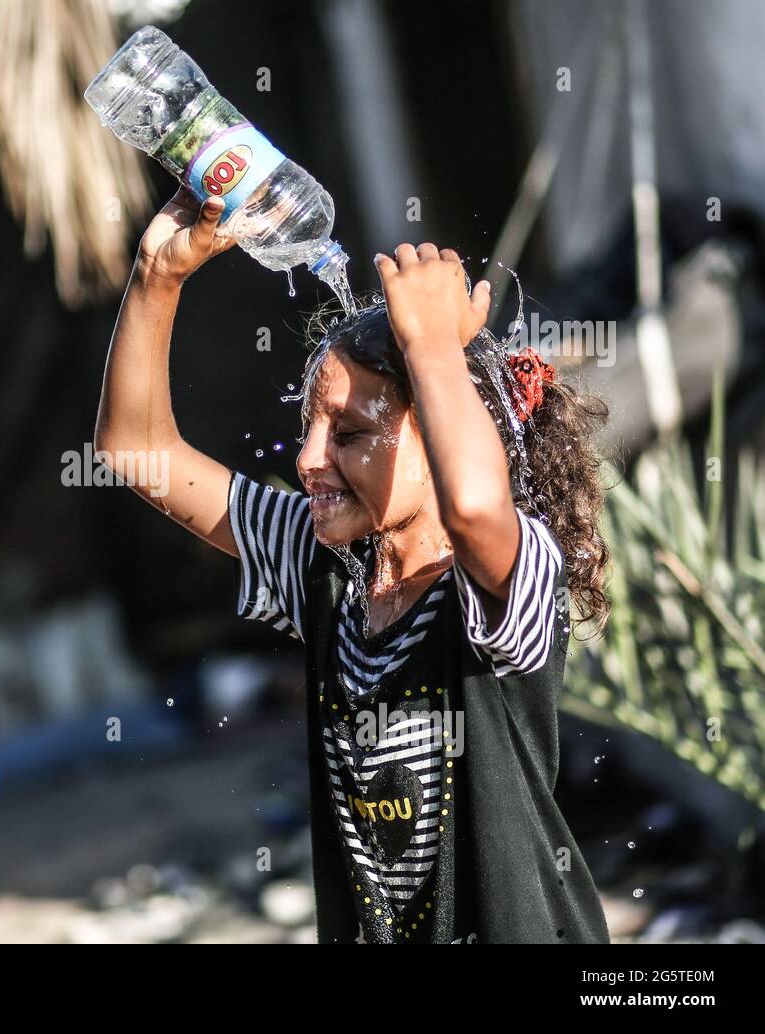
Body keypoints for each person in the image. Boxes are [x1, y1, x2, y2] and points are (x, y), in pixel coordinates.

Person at [94, 187, 612, 943]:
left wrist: (434, 347)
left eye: (349, 433)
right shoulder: (326, 570)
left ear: (439, 440)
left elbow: (471, 510)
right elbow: (134, 453)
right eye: (309, 425)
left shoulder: (507, 587)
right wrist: (155, 277)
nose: (308, 460)